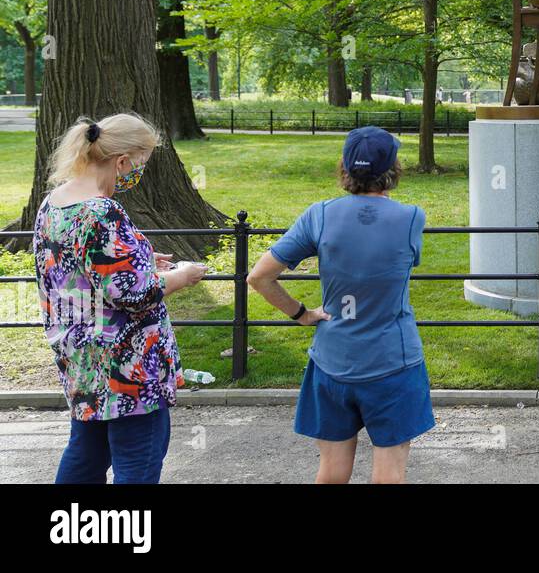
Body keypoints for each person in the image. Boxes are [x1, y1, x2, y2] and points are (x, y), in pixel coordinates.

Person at [248, 127, 432, 483]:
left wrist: (303, 315)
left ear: (345, 167)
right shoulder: (411, 218)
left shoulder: (319, 215)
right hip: (393, 361)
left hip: (331, 362)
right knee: (389, 475)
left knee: (331, 472)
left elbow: (259, 277)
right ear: (393, 168)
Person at [34, 114, 209, 484]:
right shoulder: (102, 211)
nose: (137, 174)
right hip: (129, 367)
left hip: (81, 361)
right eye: (140, 164)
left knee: (86, 454)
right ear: (122, 161)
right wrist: (181, 276)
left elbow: (79, 267)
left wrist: (143, 257)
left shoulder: (54, 202)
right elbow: (134, 293)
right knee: (139, 461)